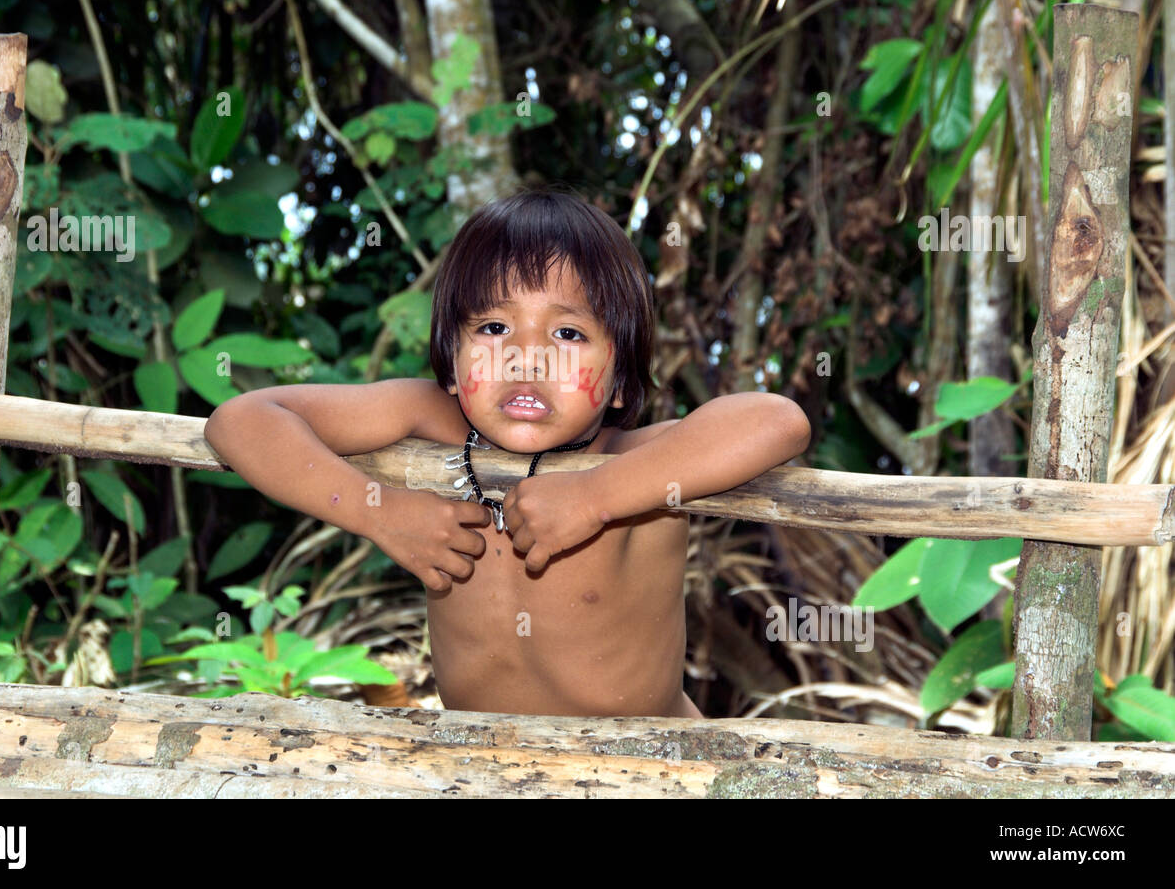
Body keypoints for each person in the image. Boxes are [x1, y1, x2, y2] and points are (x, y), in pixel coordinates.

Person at [204, 186, 811, 718]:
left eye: (568, 333)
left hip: (648, 766)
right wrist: (378, 511)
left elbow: (776, 421)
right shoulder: (430, 420)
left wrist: (596, 497)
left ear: (622, 382)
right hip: (483, 765)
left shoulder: (637, 461)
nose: (527, 358)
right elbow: (243, 420)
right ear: (451, 360)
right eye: (494, 328)